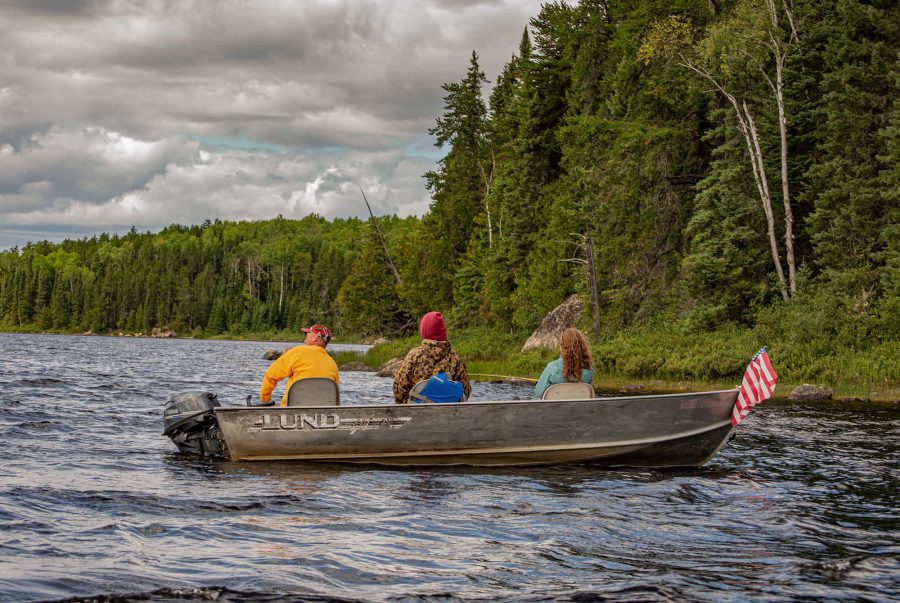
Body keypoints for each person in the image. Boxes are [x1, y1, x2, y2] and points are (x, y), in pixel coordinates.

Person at [393, 311, 471, 404]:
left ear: (424, 331)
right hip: (448, 411)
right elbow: (465, 391)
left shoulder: (414, 355)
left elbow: (399, 389)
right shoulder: (455, 358)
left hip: (416, 410)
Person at [259, 323, 339, 406]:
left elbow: (271, 376)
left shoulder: (298, 352)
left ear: (314, 337)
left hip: (292, 409)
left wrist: (266, 401)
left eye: (307, 337)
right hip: (322, 411)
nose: (305, 341)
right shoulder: (333, 364)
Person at [533, 328, 594, 399]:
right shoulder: (589, 371)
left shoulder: (552, 368)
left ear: (562, 346)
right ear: (582, 347)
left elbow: (538, 394)